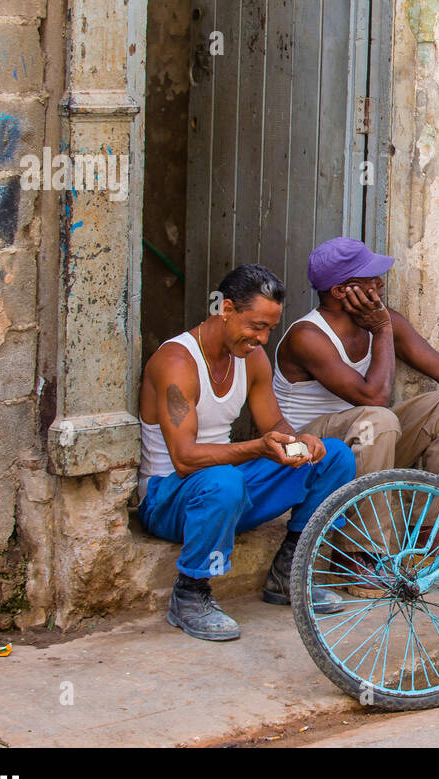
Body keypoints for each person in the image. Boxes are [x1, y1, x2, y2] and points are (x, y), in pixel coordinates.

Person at [272, 238, 439, 586]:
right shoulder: (307, 336)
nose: (380, 283)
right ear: (342, 291)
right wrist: (381, 330)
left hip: (368, 441)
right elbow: (374, 397)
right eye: (370, 278)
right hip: (313, 455)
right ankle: (358, 557)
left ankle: (430, 537)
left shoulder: (384, 320)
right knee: (378, 418)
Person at [137, 263, 356, 641]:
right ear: (225, 310)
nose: (264, 338)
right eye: (256, 326)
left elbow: (275, 426)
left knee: (334, 456)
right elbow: (185, 459)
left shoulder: (251, 359)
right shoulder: (177, 362)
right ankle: (189, 593)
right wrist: (257, 448)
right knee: (224, 482)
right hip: (168, 497)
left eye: (270, 328)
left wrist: (300, 442)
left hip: (226, 490)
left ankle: (289, 573)